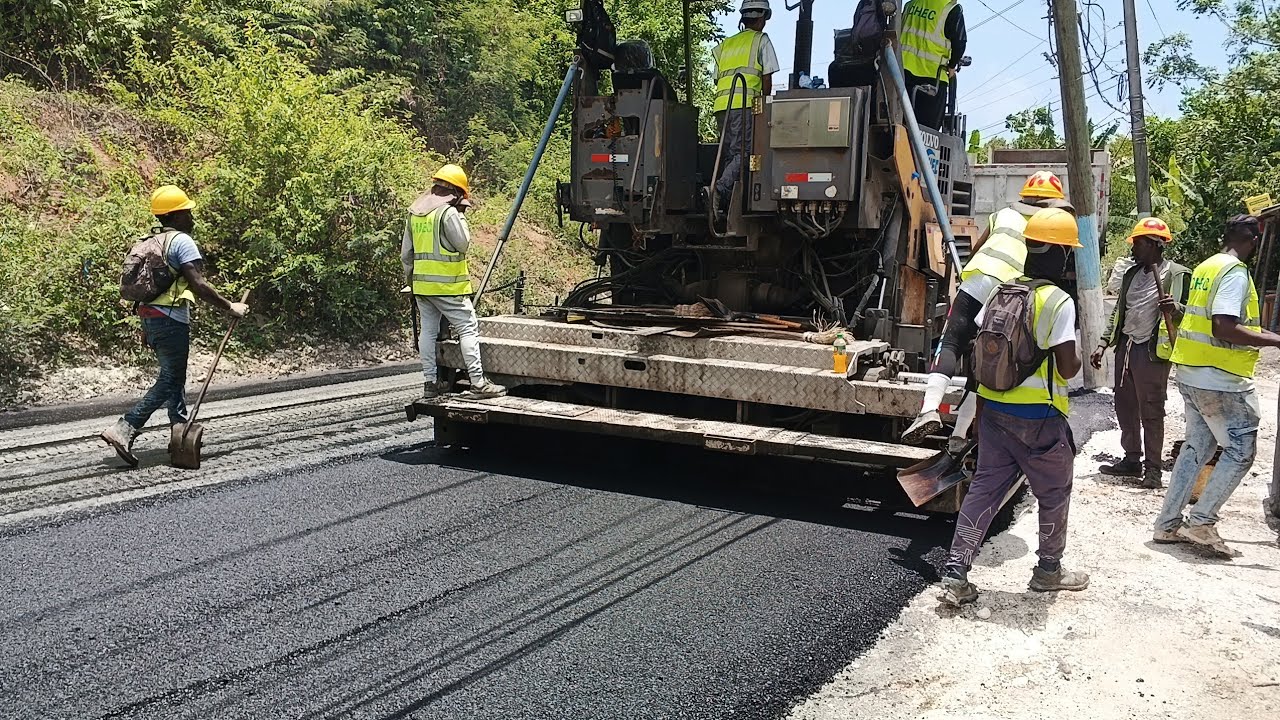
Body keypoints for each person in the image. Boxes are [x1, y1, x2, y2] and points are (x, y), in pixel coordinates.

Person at [939, 208, 1087, 606]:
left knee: (984, 489)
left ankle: (956, 573)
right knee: (1054, 493)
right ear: (1061, 253)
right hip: (1040, 418)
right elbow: (1070, 369)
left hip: (994, 413)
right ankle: (1048, 572)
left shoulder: (998, 293)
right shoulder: (1058, 302)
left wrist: (980, 414)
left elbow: (983, 355)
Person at [903, 171, 1073, 448]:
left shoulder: (1003, 215)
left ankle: (929, 409)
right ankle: (958, 435)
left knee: (951, 342)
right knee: (984, 360)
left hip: (977, 280)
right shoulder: (1048, 225)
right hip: (1006, 292)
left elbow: (978, 246)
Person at [1153, 214, 1280, 556]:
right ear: (1254, 240)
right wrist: (1275, 343)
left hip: (1191, 372)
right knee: (1241, 449)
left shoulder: (1208, 266)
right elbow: (1223, 327)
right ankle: (1201, 522)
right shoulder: (1235, 274)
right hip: (1220, 378)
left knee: (1197, 447)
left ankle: (1167, 525)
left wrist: (1272, 337)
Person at [98, 186, 250, 467]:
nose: (192, 217)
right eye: (188, 212)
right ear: (177, 216)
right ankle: (124, 428)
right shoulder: (181, 242)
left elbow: (151, 290)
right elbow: (199, 285)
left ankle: (178, 435)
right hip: (169, 320)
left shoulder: (152, 241)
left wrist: (147, 325)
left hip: (151, 317)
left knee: (175, 377)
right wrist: (231, 306)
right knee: (170, 380)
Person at [1089, 218, 1189, 489]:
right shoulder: (1132, 275)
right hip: (1127, 346)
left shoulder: (1176, 274)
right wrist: (1102, 344)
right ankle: (1132, 458)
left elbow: (1188, 314)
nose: (1133, 249)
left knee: (1152, 409)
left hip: (1152, 352)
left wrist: (1175, 308)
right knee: (1125, 404)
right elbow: (1119, 313)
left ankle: (1153, 470)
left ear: (1154, 245)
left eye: (1138, 243)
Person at [404, 164, 506, 400]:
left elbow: (406, 255)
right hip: (448, 287)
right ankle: (479, 384)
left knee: (427, 332)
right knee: (468, 327)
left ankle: (430, 383)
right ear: (456, 192)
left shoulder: (415, 212)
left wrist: (411, 282)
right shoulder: (447, 213)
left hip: (422, 287)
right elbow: (463, 244)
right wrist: (460, 214)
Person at [709, 0, 780, 216]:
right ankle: (718, 190)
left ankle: (726, 203)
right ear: (762, 18)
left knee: (730, 154)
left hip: (722, 107)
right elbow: (766, 78)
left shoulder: (726, 45)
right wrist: (764, 105)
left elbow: (715, 79)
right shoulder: (761, 41)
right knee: (744, 152)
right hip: (744, 106)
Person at [900, 0, 967, 128]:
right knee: (928, 135)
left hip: (902, 74)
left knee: (899, 126)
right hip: (933, 79)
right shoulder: (950, 8)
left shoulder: (911, 5)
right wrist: (952, 66)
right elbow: (960, 43)